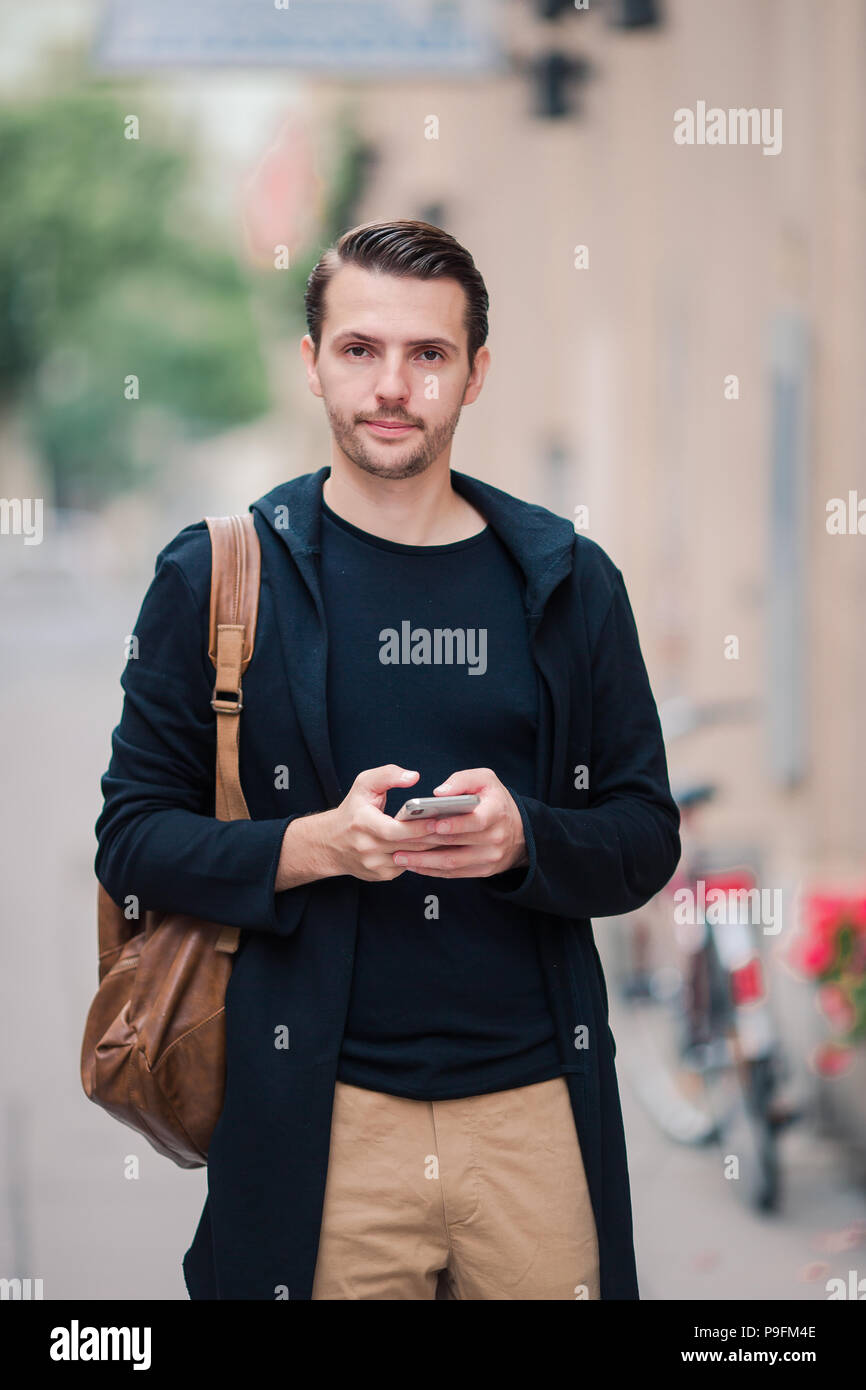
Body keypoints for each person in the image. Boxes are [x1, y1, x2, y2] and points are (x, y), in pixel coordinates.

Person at [94, 219, 681, 1300]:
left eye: (427, 354)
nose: (392, 385)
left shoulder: (564, 580)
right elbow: (130, 838)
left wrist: (525, 839)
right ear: (310, 362)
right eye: (359, 349)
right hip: (319, 1114)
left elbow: (643, 834)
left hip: (534, 1110)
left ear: (475, 374)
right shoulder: (217, 577)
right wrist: (308, 847)